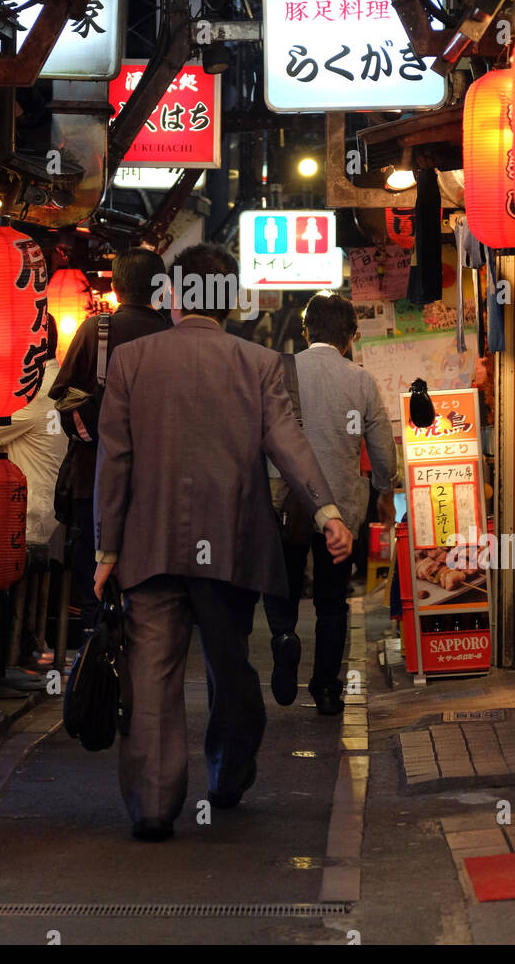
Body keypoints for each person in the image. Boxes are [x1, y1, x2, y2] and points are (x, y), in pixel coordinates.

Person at [93, 243, 352, 841]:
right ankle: (228, 775)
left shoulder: (130, 362)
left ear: (172, 296)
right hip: (231, 546)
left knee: (153, 675)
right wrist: (328, 511)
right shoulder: (259, 364)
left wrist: (106, 552)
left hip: (148, 549)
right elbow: (290, 445)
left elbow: (116, 463)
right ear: (230, 300)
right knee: (229, 666)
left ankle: (154, 808)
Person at [264, 292, 397, 714]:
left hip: (285, 502)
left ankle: (284, 635)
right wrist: (384, 492)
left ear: (306, 332)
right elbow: (381, 449)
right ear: (352, 336)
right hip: (340, 507)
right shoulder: (360, 380)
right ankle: (326, 688)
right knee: (332, 600)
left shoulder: (278, 371)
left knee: (280, 585)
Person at [49, 247, 167, 628]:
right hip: (157, 488)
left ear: (115, 287)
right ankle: (142, 665)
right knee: (150, 598)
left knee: (93, 594)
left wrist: (96, 438)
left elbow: (64, 397)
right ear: (160, 288)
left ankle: (95, 671)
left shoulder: (96, 331)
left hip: (95, 481)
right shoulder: (172, 337)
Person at [0, 313, 67, 664]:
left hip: (24, 516)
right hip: (52, 511)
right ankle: (19, 640)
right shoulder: (59, 381)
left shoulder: (33, 393)